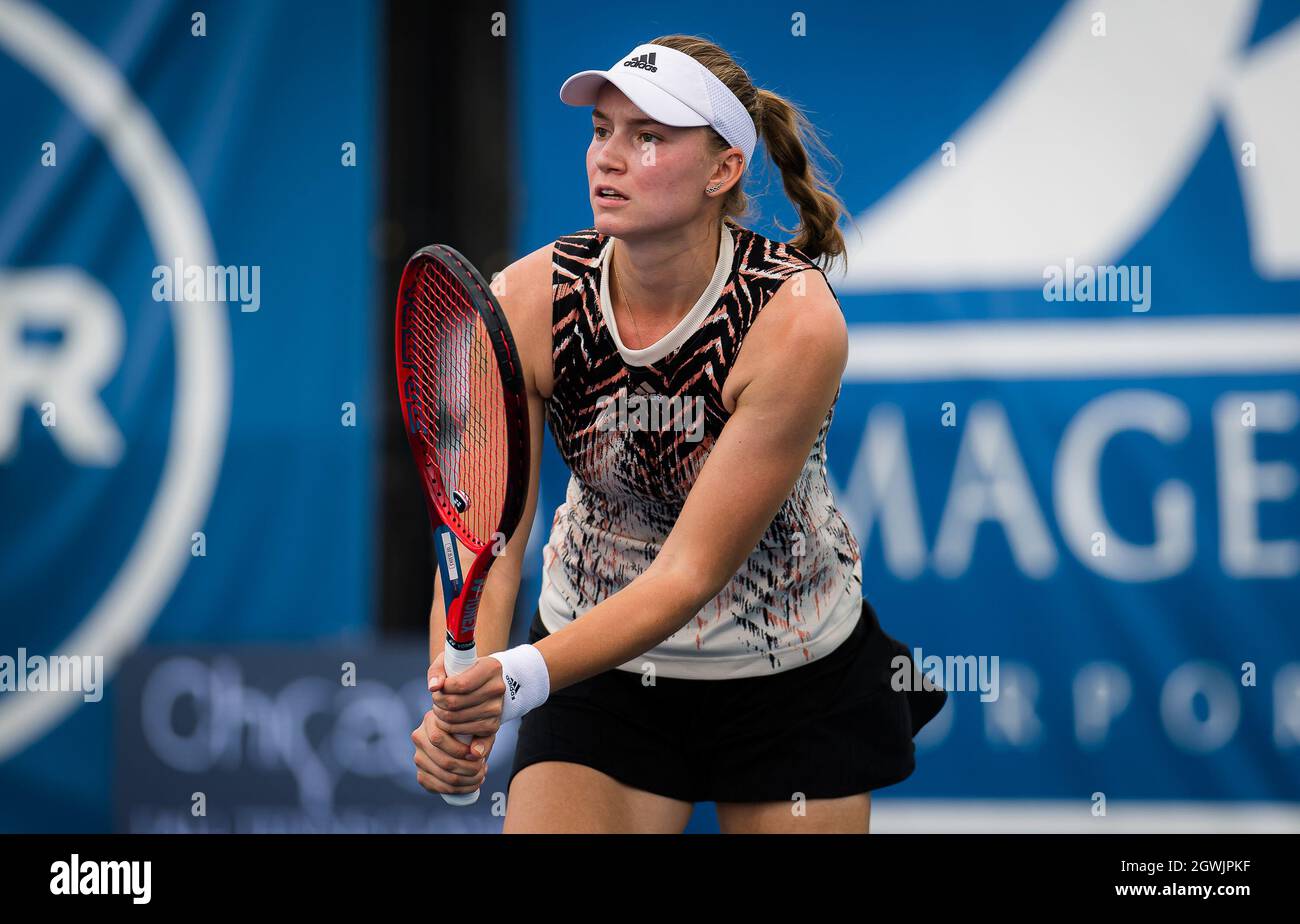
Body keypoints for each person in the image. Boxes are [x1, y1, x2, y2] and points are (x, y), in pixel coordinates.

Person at [410, 34, 946, 834]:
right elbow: (488, 536)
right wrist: (462, 695)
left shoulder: (791, 323)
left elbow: (690, 570)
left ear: (723, 169)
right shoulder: (527, 300)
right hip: (597, 666)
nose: (609, 157)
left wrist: (511, 681)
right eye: (601, 131)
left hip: (790, 680)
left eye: (648, 137)